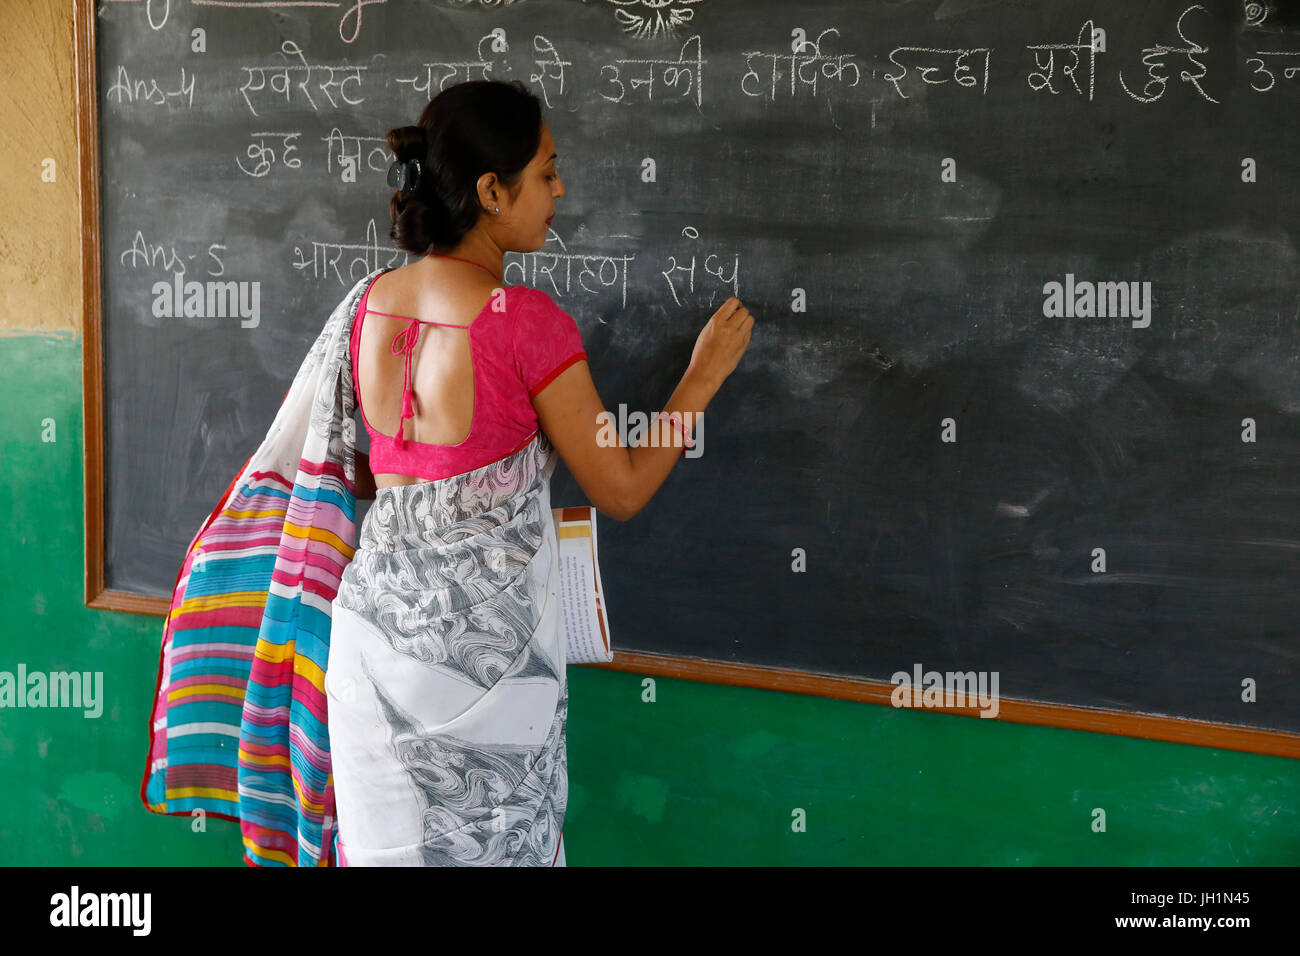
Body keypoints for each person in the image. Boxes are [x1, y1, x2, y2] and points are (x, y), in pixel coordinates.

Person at [324, 79, 753, 866]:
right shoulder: (524, 324)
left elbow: (374, 471)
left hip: (368, 657)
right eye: (547, 172)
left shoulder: (365, 306)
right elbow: (619, 489)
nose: (560, 190)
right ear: (492, 190)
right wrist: (701, 380)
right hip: (481, 677)